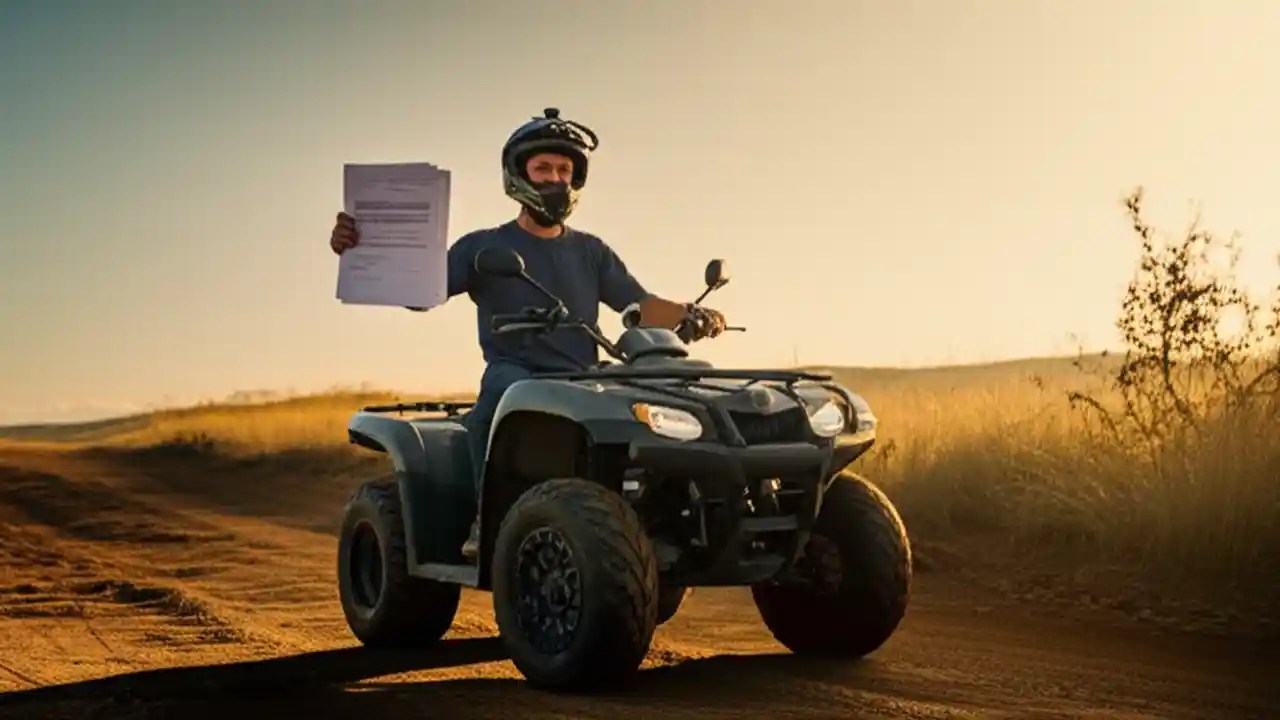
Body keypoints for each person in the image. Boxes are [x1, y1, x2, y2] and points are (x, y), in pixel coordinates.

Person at [330, 108, 727, 559]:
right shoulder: (483, 246)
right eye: (543, 168)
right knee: (495, 405)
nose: (555, 178)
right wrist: (361, 246)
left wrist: (690, 312)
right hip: (515, 371)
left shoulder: (591, 251)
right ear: (519, 175)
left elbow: (636, 304)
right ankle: (487, 521)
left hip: (583, 375)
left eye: (565, 170)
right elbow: (423, 290)